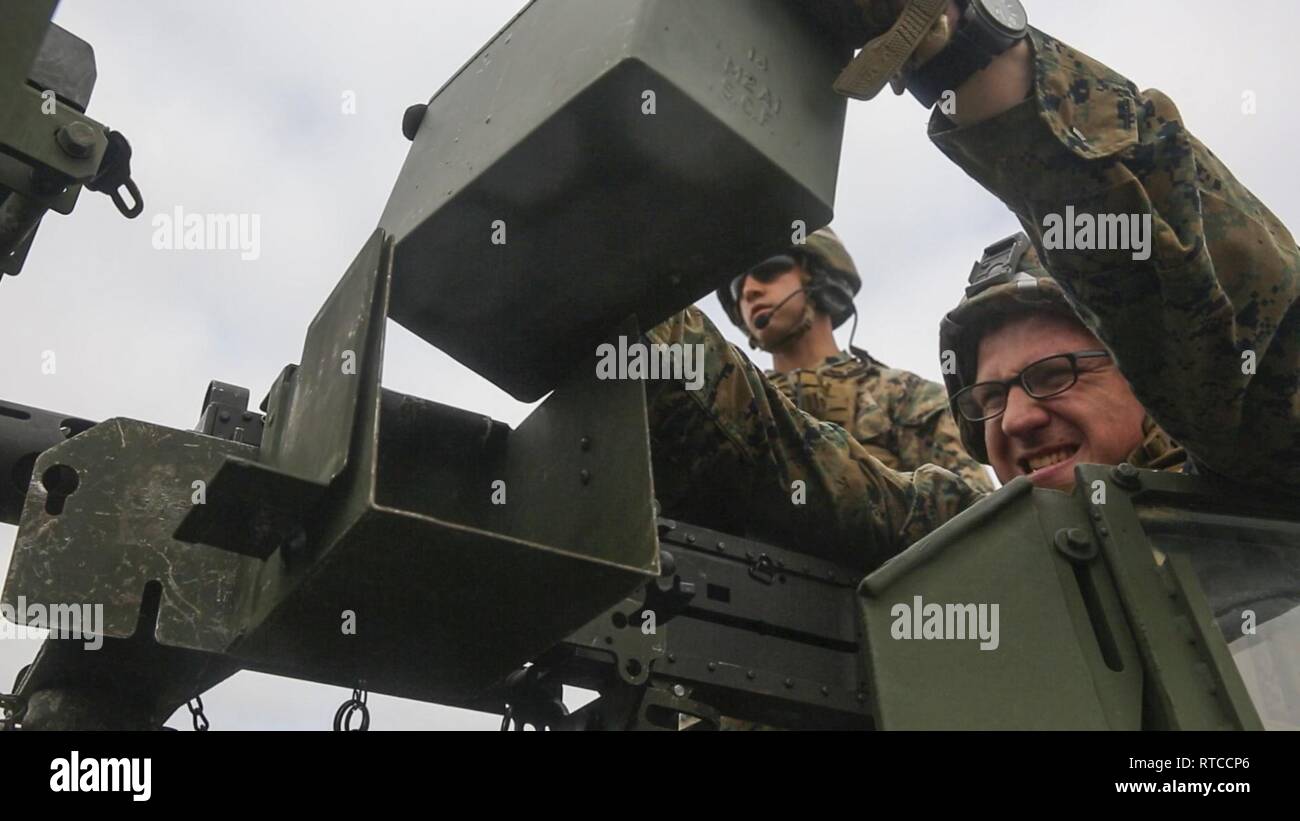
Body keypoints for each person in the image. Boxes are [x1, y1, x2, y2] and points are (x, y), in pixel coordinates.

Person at [646, 0, 1299, 572]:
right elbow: (770, 460)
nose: (1013, 419)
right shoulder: (984, 564)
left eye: (1054, 374)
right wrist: (619, 276)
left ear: (1148, 374)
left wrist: (955, 46)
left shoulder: (1250, 495)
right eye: (985, 399)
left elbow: (1232, 317)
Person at [715, 227, 992, 492]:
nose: (749, 291)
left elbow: (974, 506)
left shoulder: (902, 395)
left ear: (815, 276)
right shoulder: (734, 401)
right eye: (736, 288)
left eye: (767, 270)